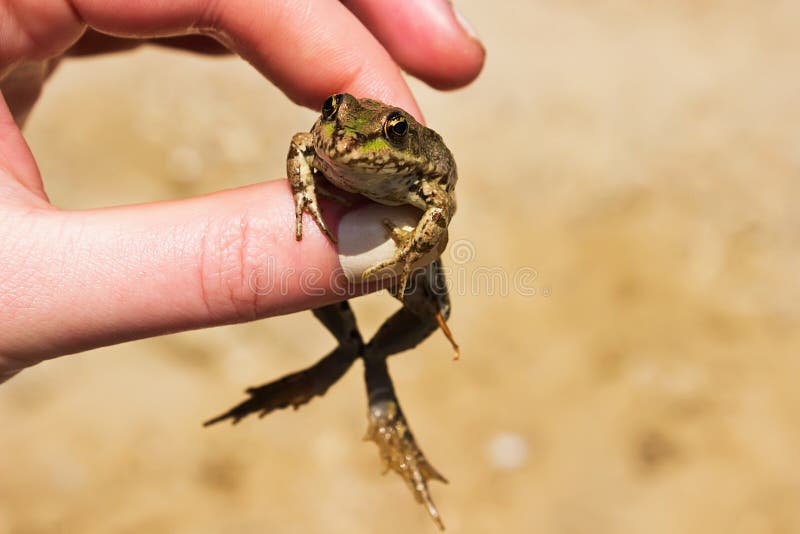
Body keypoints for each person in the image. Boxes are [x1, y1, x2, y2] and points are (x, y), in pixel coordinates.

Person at [0, 0, 484, 382]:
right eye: (333, 112)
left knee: (431, 304)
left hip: (403, 187)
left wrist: (403, 259)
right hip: (356, 194)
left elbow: (441, 207)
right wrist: (305, 194)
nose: (347, 136)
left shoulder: (423, 177)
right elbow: (301, 145)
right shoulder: (322, 142)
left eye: (391, 129)